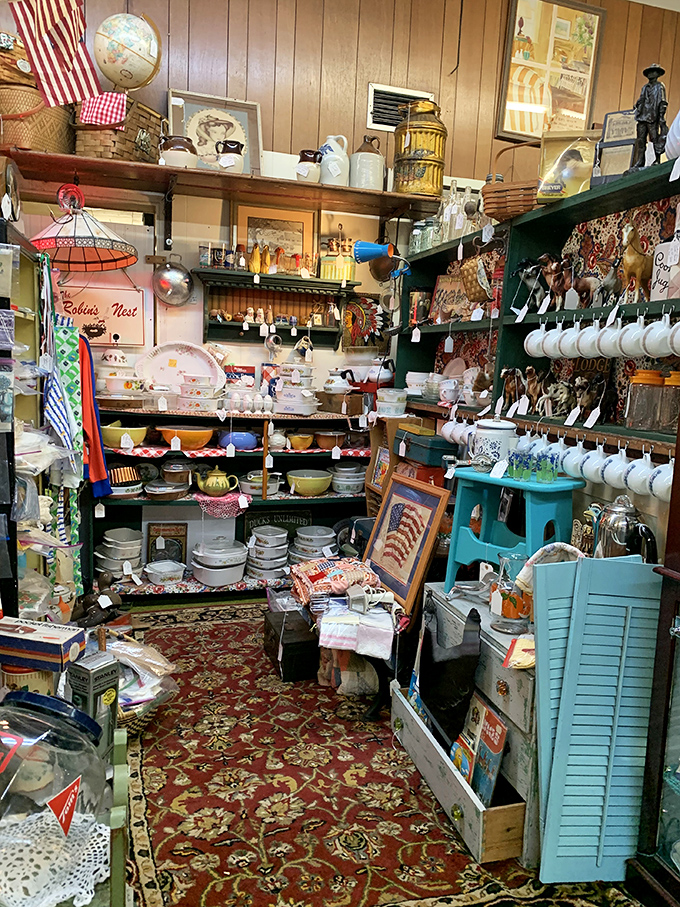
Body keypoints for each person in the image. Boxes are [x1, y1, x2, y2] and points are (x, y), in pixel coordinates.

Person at [630, 63, 668, 170]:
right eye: (649, 72)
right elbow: (641, 99)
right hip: (642, 117)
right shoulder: (645, 87)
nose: (651, 74)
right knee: (641, 140)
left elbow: (663, 102)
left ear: (657, 74)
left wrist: (661, 117)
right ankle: (640, 161)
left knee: (654, 139)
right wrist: (636, 105)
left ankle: (657, 159)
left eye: (653, 72)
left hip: (652, 117)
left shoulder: (660, 87)